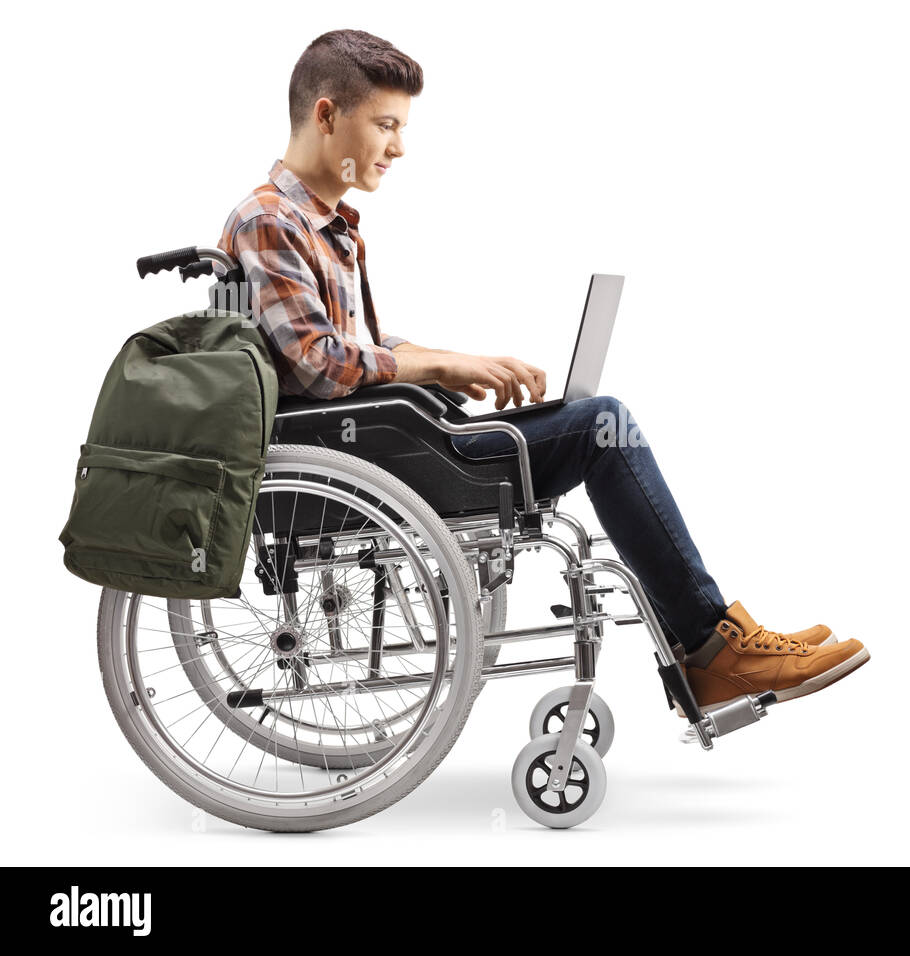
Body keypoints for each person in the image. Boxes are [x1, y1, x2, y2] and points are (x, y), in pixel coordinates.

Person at [217, 29, 869, 714]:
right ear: (327, 115)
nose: (399, 147)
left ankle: (710, 649)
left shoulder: (324, 223)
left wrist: (460, 364)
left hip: (373, 444)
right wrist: (440, 363)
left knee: (594, 424)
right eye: (386, 124)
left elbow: (351, 349)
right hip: (352, 462)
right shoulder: (270, 219)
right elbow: (322, 367)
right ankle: (714, 649)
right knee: (601, 425)